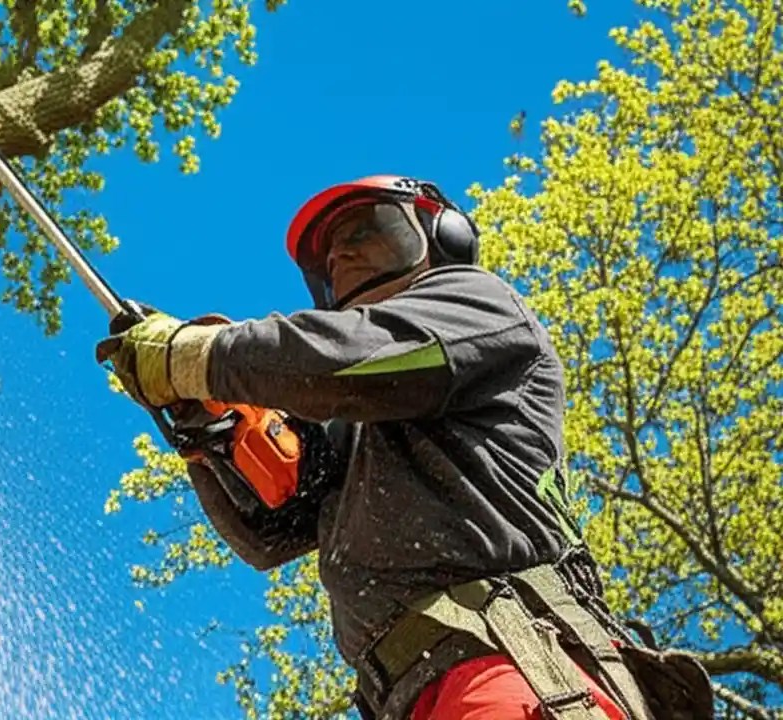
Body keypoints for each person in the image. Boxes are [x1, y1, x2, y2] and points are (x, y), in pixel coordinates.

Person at [97, 175, 713, 719]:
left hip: (514, 667)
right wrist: (205, 421)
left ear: (442, 234)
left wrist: (197, 357)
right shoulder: (361, 423)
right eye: (329, 252)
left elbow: (351, 359)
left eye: (367, 229)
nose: (341, 252)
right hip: (418, 691)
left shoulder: (477, 307)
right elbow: (270, 530)